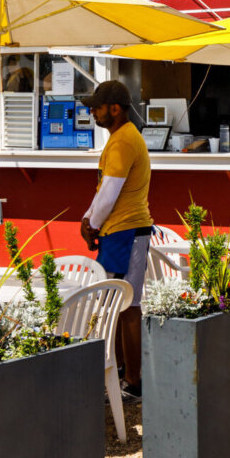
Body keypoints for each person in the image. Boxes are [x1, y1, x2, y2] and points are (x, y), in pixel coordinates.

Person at [79, 80, 151, 398]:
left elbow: (109, 193)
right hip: (118, 231)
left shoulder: (123, 142)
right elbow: (104, 190)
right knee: (117, 306)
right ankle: (121, 374)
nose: (92, 111)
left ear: (116, 109)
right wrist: (90, 221)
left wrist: (90, 223)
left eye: (97, 106)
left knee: (127, 306)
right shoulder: (121, 138)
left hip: (126, 232)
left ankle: (133, 383)